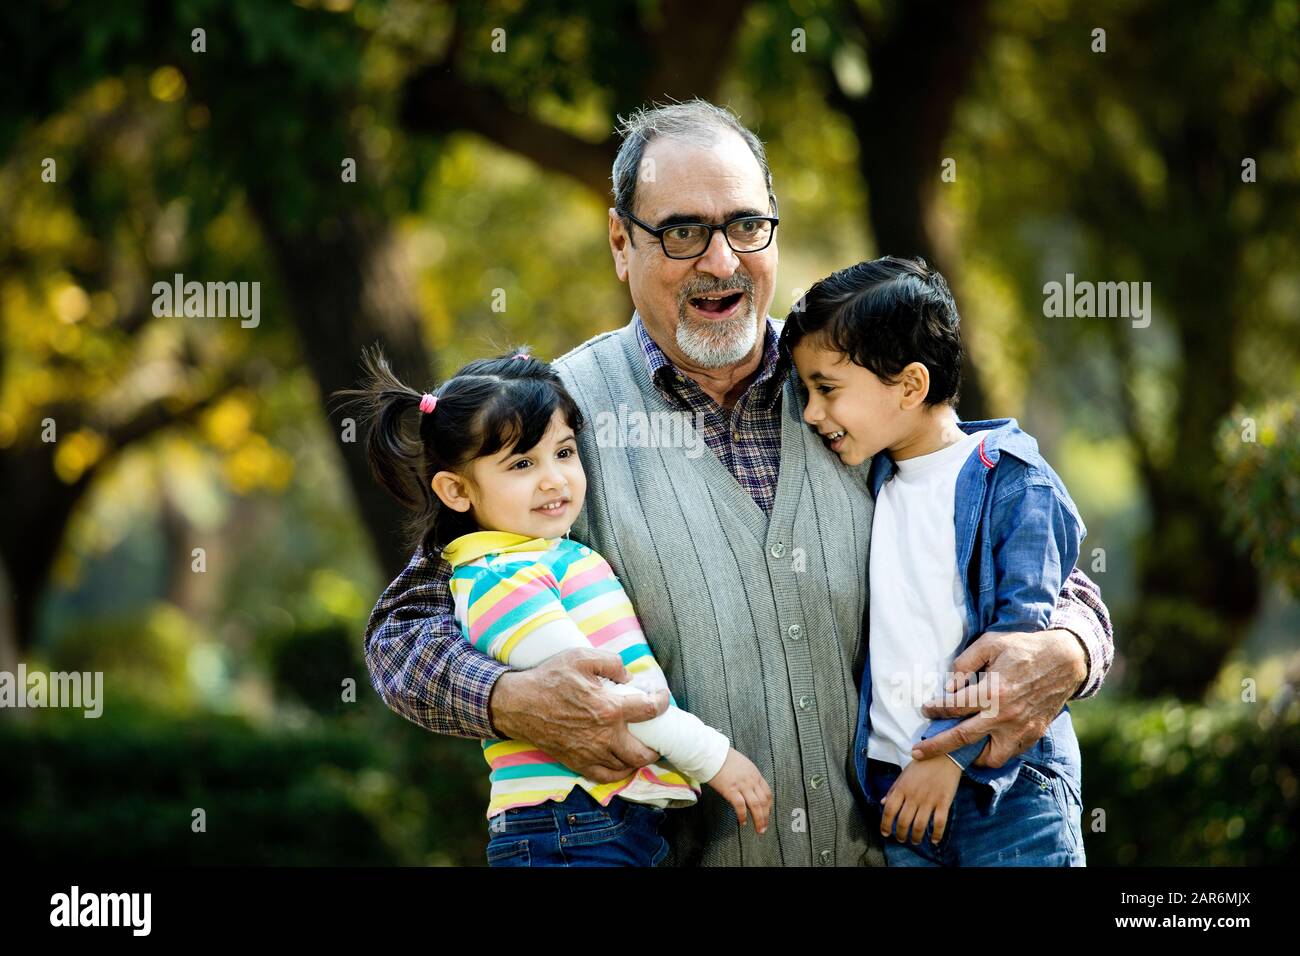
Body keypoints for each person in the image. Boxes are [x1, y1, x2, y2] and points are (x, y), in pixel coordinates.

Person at [362, 98, 1114, 866]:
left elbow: (1016, 532)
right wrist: (507, 698)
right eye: (683, 231)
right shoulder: (549, 425)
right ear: (622, 242)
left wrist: (1071, 646)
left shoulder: (857, 385)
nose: (721, 263)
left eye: (746, 226)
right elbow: (402, 634)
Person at [336, 346, 771, 866]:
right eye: (522, 463)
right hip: (569, 825)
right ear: (455, 490)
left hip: (607, 821)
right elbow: (601, 695)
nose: (553, 479)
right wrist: (715, 758)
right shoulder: (500, 578)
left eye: (564, 453)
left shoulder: (554, 554)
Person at [783, 256, 1087, 865]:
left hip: (1003, 794)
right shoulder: (877, 480)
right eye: (806, 391)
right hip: (899, 799)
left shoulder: (1014, 484)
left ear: (910, 386)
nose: (812, 413)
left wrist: (947, 757)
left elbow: (1017, 647)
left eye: (828, 390)